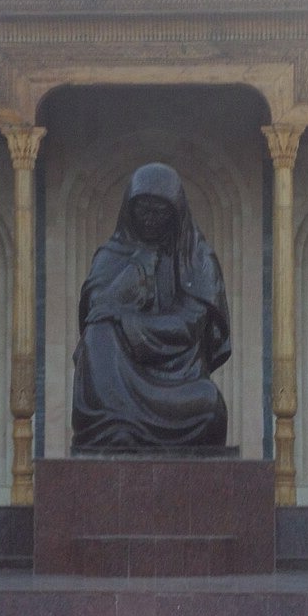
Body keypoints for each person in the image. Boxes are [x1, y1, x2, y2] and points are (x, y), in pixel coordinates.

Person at [71, 163, 230, 450]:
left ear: (176, 212)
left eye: (159, 212)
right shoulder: (111, 254)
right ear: (128, 211)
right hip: (120, 376)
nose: (149, 220)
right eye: (142, 210)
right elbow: (96, 309)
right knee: (98, 333)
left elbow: (190, 324)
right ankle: (115, 425)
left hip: (178, 379)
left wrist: (130, 323)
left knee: (209, 403)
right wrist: (133, 271)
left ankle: (123, 423)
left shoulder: (198, 258)